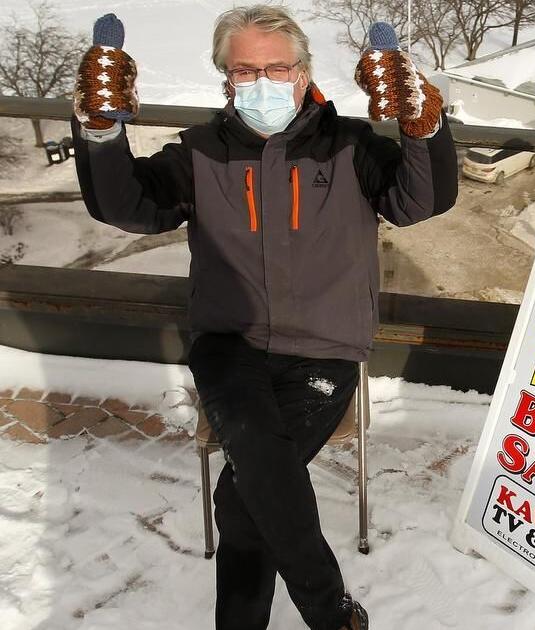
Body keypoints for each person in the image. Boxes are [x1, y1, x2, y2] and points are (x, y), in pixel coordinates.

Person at [70, 6, 457, 630]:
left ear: (303, 71)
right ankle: (331, 613)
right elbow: (129, 205)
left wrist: (421, 124)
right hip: (231, 344)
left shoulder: (350, 145)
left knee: (242, 494)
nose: (262, 82)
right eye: (245, 70)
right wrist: (100, 133)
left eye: (277, 67)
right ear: (226, 78)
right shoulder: (201, 151)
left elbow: (422, 200)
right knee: (255, 467)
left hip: (325, 351)